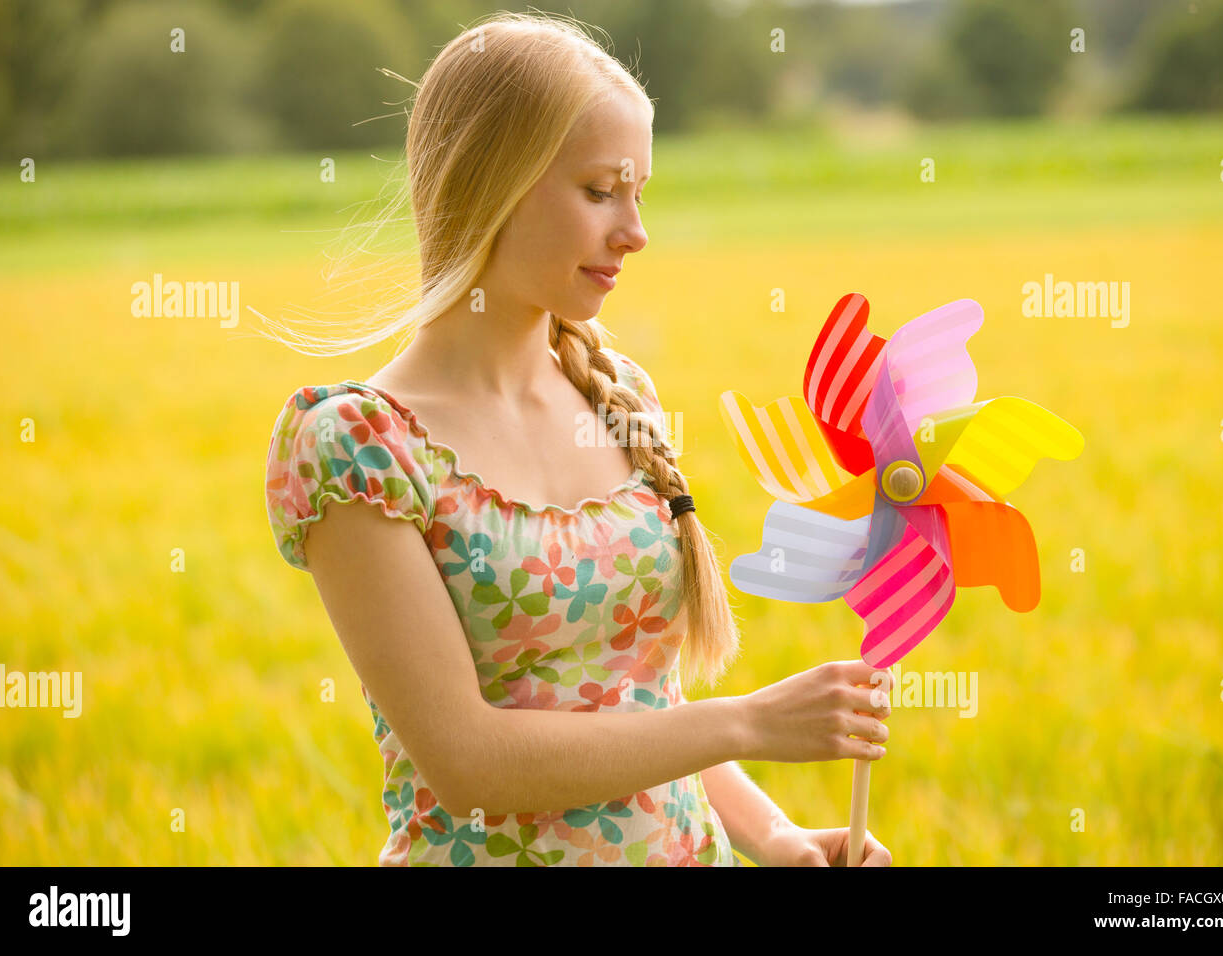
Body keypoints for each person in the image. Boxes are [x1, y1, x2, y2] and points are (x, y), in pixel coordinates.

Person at [263, 10, 892, 867]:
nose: (634, 232)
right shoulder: (361, 448)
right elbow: (469, 762)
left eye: (640, 194)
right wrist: (747, 721)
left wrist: (775, 837)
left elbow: (643, 701)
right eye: (600, 192)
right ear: (489, 184)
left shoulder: (618, 396)